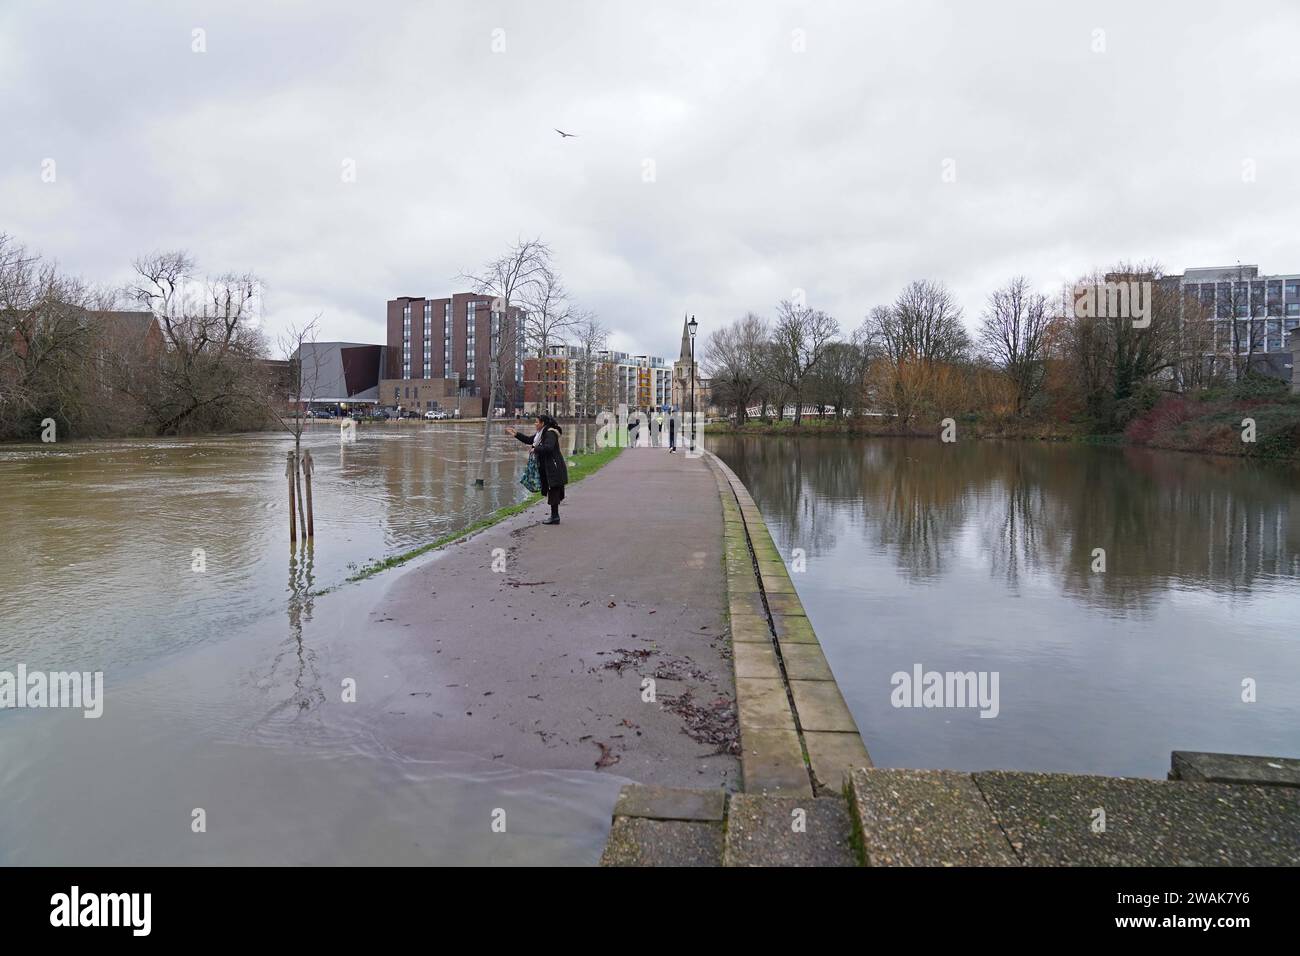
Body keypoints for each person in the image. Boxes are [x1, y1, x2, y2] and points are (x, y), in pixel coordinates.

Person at [504, 414, 568, 525]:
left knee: (553, 491)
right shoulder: (541, 433)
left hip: (554, 466)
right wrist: (516, 434)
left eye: (536, 422)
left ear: (542, 423)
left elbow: (549, 447)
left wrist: (535, 449)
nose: (535, 424)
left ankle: (555, 517)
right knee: (552, 491)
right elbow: (530, 440)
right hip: (549, 467)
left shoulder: (550, 433)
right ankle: (554, 516)